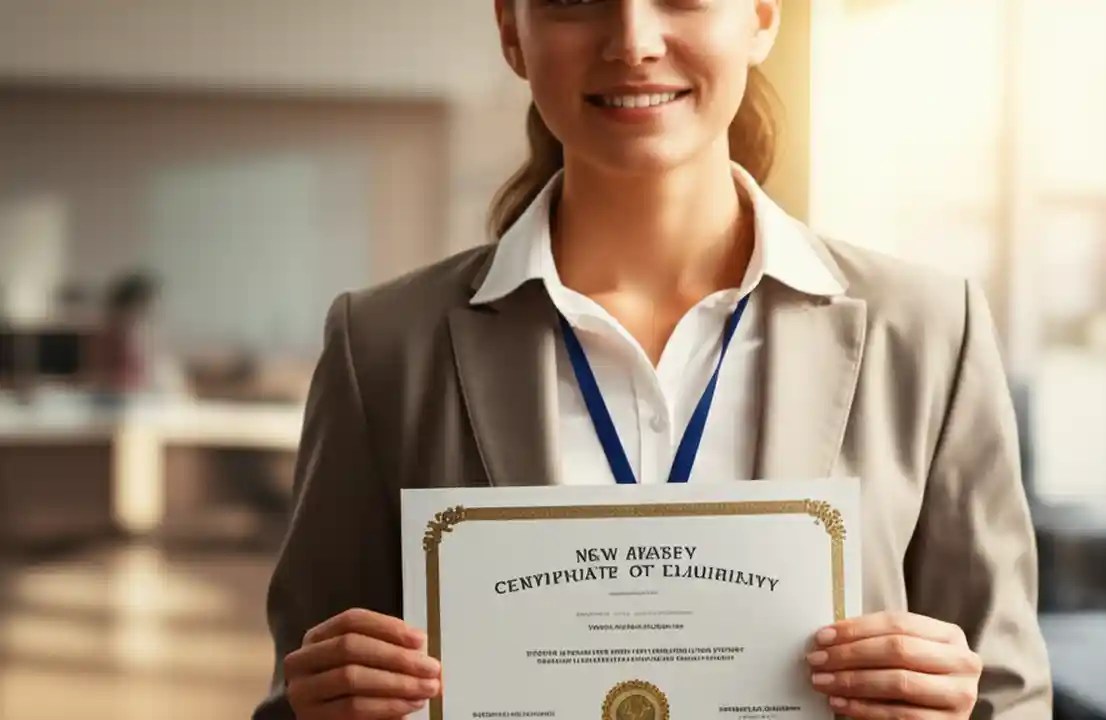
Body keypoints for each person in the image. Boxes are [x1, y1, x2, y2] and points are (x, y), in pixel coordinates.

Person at [254, 1, 1051, 718]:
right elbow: (297, 695)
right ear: (511, 30)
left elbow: (1010, 697)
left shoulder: (929, 332)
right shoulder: (382, 346)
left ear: (762, 16)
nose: (632, 40)